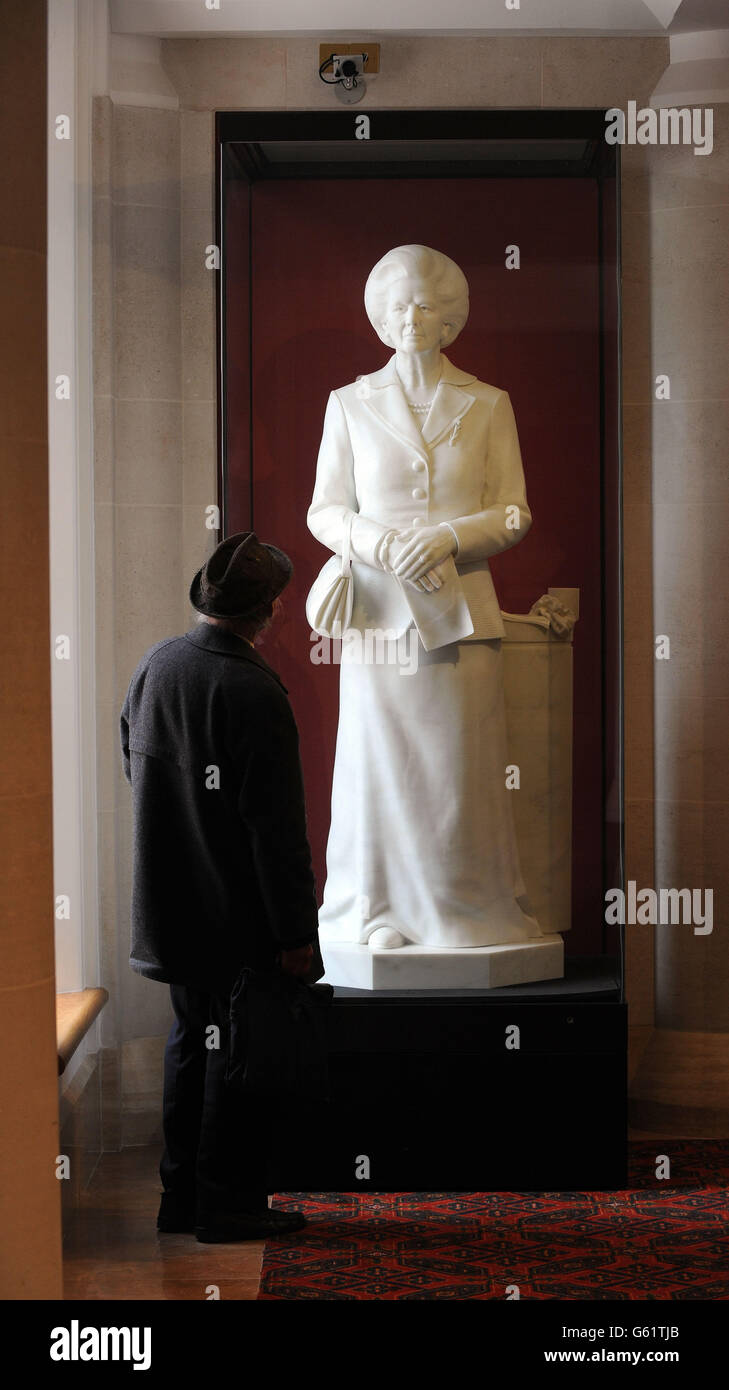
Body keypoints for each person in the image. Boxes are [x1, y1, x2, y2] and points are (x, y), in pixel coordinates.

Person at [308, 243, 542, 952]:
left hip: (460, 616)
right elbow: (324, 511)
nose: (409, 316)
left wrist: (444, 537)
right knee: (381, 766)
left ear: (448, 319)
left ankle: (465, 911)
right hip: (379, 619)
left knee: (456, 771)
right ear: (379, 317)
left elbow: (512, 512)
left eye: (424, 304)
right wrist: (378, 544)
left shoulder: (486, 404)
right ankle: (376, 910)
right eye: (397, 303)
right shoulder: (348, 404)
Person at [120, 532, 322, 1243]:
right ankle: (225, 1208)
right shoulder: (250, 687)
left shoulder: (156, 665)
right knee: (233, 1060)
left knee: (189, 1046)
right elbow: (277, 832)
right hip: (234, 919)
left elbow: (133, 765)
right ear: (268, 609)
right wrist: (297, 933)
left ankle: (180, 1201)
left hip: (169, 907)